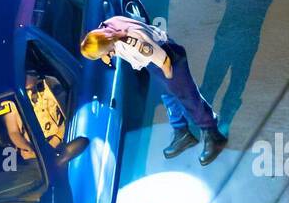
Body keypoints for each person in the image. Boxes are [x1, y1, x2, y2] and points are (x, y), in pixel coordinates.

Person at [80, 16, 227, 166]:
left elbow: (163, 60)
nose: (101, 58)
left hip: (169, 58)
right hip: (153, 62)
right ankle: (182, 133)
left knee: (187, 97)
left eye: (100, 55)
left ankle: (213, 135)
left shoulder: (132, 42)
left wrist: (170, 77)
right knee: (168, 97)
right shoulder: (108, 27)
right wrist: (109, 52)